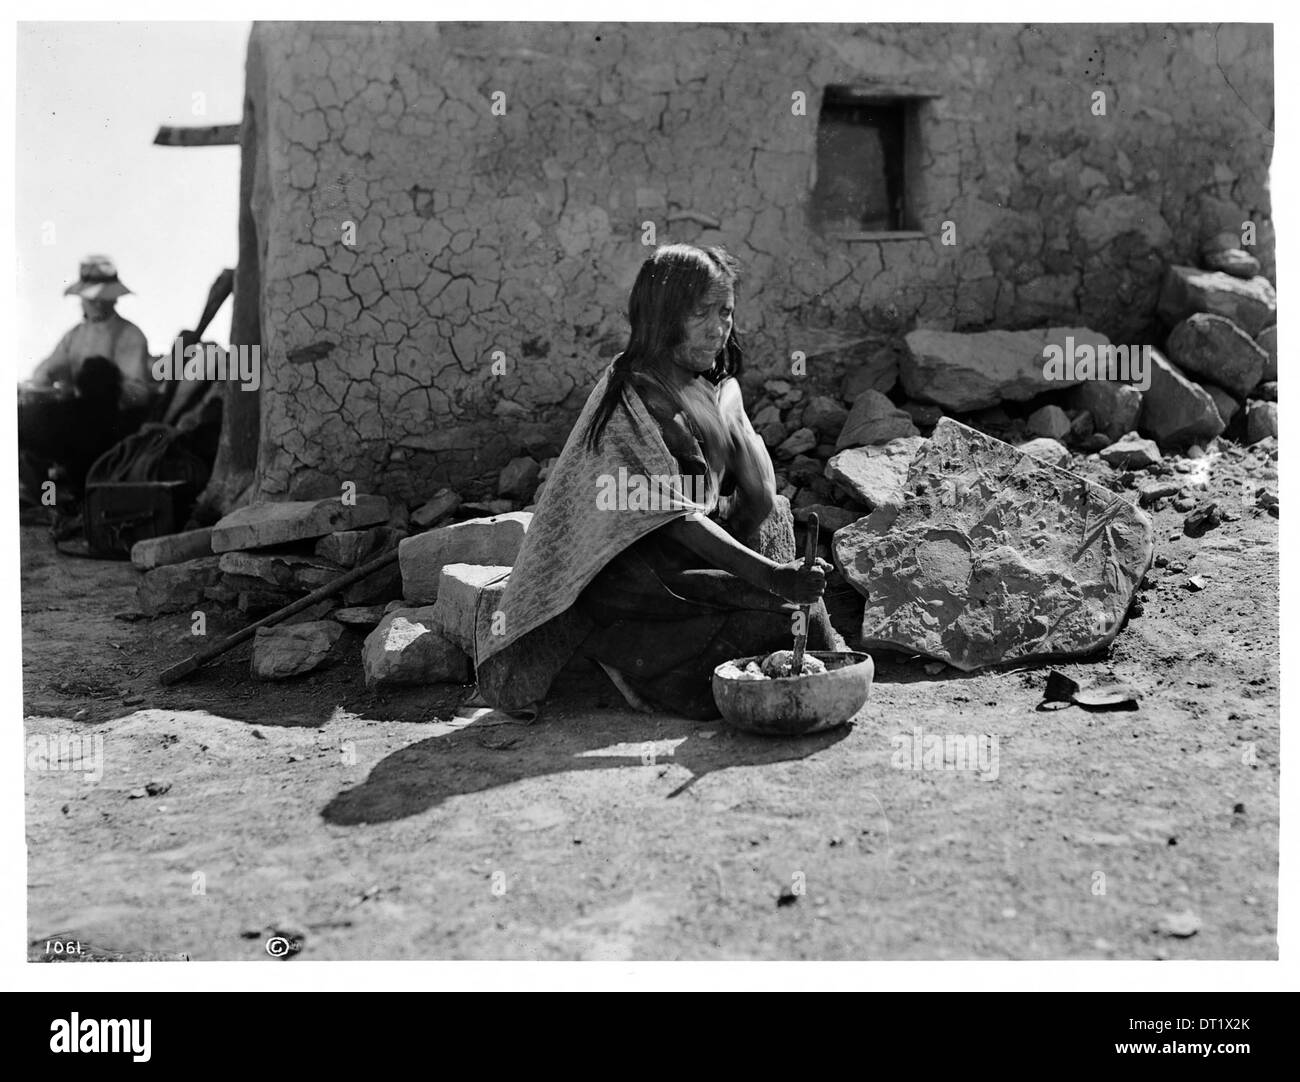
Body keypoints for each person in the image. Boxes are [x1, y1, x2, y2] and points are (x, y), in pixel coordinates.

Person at [476, 244, 844, 719]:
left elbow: (728, 495)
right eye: (700, 314)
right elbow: (674, 517)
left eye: (726, 312)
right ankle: (642, 673)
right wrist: (771, 576)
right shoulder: (634, 398)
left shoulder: (699, 384)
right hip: (638, 587)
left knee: (796, 607)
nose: (718, 329)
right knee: (798, 619)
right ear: (663, 315)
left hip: (683, 569)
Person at [19, 256, 156, 501]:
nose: (96, 304)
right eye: (91, 299)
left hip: (112, 424)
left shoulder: (130, 335)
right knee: (22, 420)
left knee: (95, 376)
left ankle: (75, 494)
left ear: (113, 298)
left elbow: (140, 394)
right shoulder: (75, 335)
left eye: (102, 298)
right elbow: (45, 372)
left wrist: (104, 385)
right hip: (77, 417)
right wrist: (46, 382)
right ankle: (46, 496)